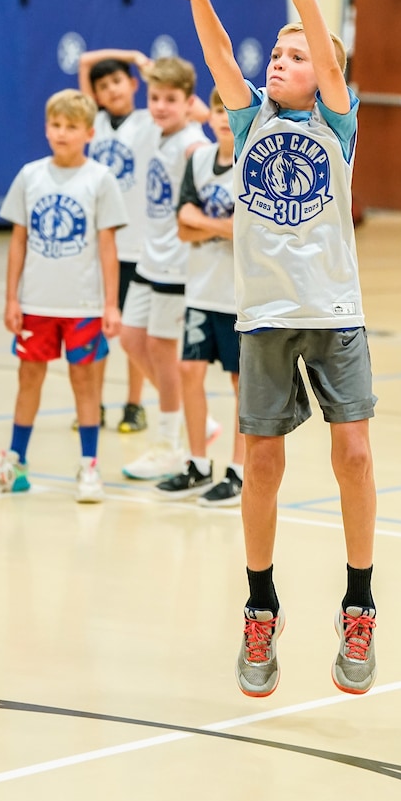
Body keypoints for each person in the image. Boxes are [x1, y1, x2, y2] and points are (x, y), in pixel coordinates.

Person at [153, 0, 378, 699]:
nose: (281, 62)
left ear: (321, 68)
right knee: (265, 468)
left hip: (335, 312)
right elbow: (218, 57)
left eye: (296, 54)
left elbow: (330, 63)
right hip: (265, 320)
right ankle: (261, 605)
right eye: (276, 53)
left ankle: (359, 602)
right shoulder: (248, 119)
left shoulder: (336, 127)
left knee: (353, 455)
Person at [0, 89, 126, 504]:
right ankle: (16, 463)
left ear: (89, 132)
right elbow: (18, 241)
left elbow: (108, 248)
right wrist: (11, 298)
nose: (61, 133)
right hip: (36, 303)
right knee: (28, 380)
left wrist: (111, 304)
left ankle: (89, 466)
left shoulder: (100, 179)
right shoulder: (30, 175)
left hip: (83, 305)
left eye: (71, 127)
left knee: (84, 384)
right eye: (55, 125)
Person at [119, 57, 210, 483]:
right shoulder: (153, 133)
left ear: (189, 102)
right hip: (147, 256)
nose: (159, 106)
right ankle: (194, 418)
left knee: (160, 348)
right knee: (130, 338)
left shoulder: (193, 145)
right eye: (154, 97)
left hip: (176, 264)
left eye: (170, 100)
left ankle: (169, 443)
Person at [155, 88, 244, 505]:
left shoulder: (252, 163)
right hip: (201, 291)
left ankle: (240, 471)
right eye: (217, 109)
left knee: (241, 383)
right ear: (207, 115)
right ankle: (197, 464)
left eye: (232, 109)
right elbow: (181, 226)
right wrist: (222, 225)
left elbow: (249, 231)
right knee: (189, 372)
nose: (225, 117)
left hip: (239, 298)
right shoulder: (199, 160)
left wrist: (204, 223)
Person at [79, 48, 155, 433]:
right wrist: (125, 54)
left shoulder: (148, 122)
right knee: (98, 328)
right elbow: (83, 63)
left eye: (116, 81)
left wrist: (139, 60)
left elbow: (164, 85)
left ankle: (134, 404)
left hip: (137, 245)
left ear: (133, 84)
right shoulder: (93, 123)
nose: (110, 90)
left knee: (131, 332)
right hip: (100, 245)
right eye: (102, 86)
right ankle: (94, 406)